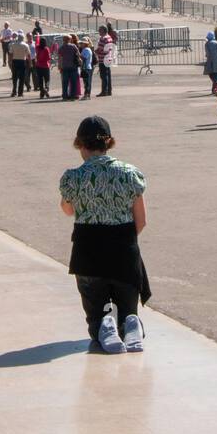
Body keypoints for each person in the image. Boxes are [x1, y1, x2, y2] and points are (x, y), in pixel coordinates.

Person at [59, 115, 149, 353]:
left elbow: (68, 210)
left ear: (80, 144)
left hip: (87, 250)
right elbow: (141, 221)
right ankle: (130, 321)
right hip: (123, 248)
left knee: (95, 305)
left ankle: (102, 323)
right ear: (109, 142)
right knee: (127, 300)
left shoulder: (73, 177)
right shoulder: (130, 174)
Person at [58, 35, 81, 101]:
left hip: (64, 67)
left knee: (65, 82)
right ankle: (73, 95)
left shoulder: (61, 48)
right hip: (73, 66)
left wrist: (59, 66)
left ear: (63, 40)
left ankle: (65, 95)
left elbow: (59, 59)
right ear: (70, 40)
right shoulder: (73, 46)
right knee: (73, 81)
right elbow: (78, 55)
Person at [8, 30, 31, 97]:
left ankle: (14, 91)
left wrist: (10, 61)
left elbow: (10, 54)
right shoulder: (25, 45)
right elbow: (28, 55)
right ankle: (20, 92)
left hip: (15, 61)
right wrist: (30, 63)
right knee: (22, 78)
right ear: (23, 38)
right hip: (22, 61)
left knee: (15, 77)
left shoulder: (13, 45)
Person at [95, 26, 115, 97]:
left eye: (100, 30)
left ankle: (104, 91)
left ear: (103, 30)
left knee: (103, 76)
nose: (99, 31)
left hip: (103, 59)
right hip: (108, 58)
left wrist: (95, 51)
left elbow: (101, 49)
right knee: (108, 75)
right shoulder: (109, 37)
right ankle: (109, 90)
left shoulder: (103, 38)